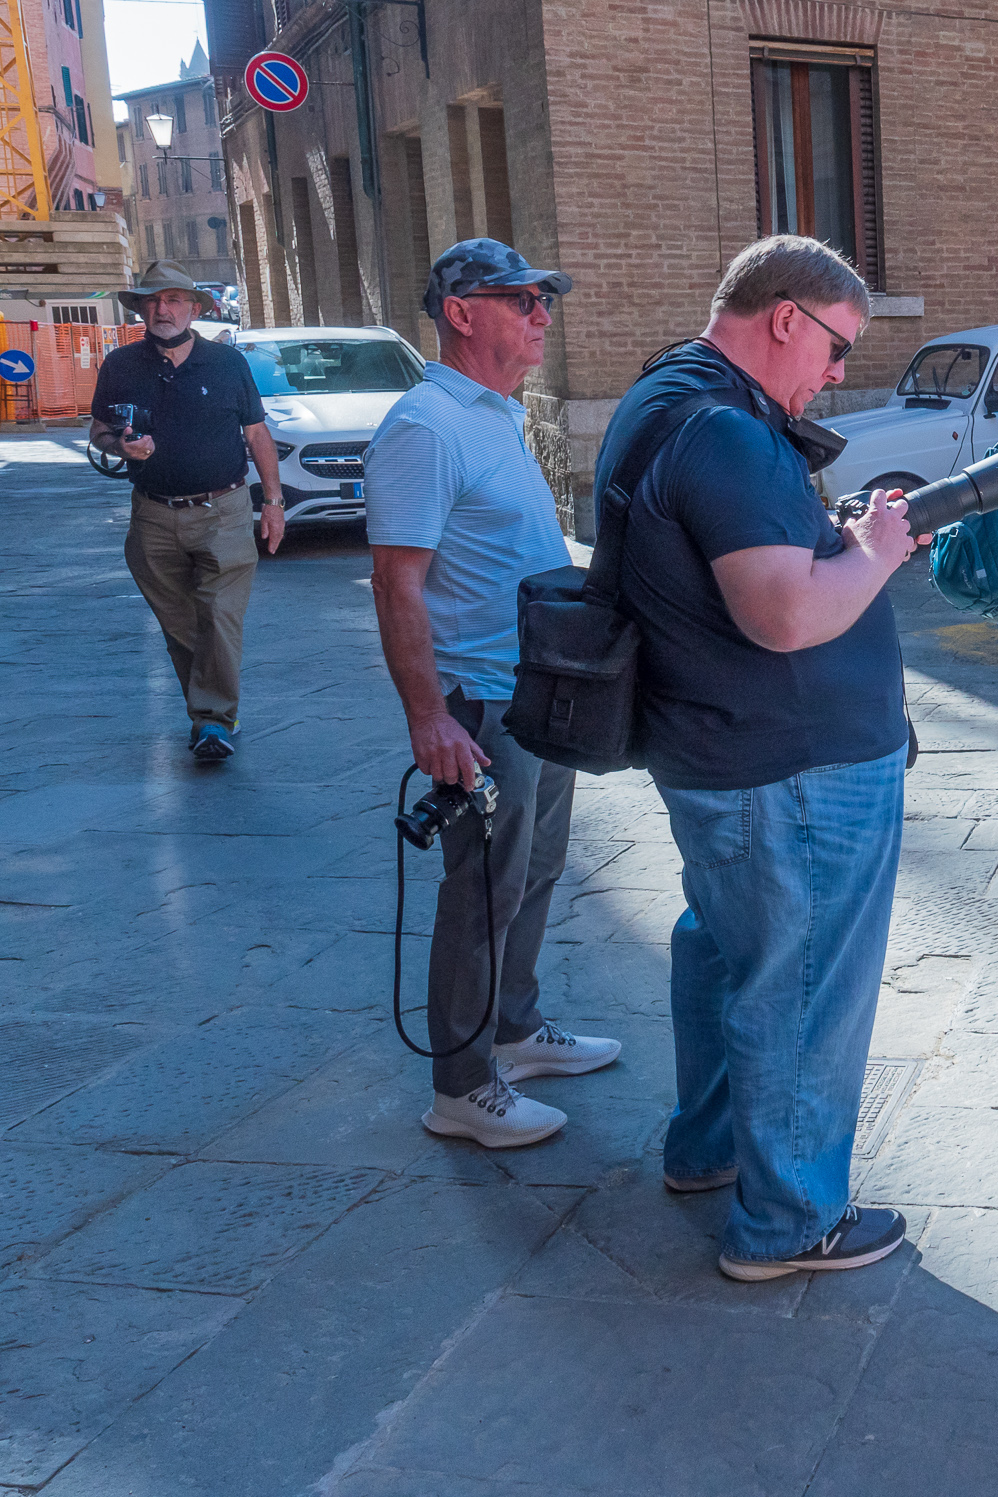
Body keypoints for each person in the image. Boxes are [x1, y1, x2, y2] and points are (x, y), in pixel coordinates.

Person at [597, 235, 917, 1283]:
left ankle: (711, 1153)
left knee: (733, 958)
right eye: (834, 348)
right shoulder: (724, 431)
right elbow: (783, 616)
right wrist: (872, 552)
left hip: (727, 758)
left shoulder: (664, 400)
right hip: (788, 770)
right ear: (785, 316)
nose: (834, 374)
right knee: (803, 983)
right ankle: (788, 1222)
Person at [365, 238, 622, 1150]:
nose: (543, 315)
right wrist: (429, 718)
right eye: (524, 300)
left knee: (536, 869)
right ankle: (462, 1086)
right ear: (463, 312)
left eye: (546, 298)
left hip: (537, 695)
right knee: (479, 892)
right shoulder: (425, 425)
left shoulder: (497, 414)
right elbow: (397, 584)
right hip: (478, 703)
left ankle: (513, 1030)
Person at [89, 260, 285, 762]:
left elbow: (257, 433)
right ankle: (213, 713)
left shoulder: (226, 364)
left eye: (174, 299)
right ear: (140, 310)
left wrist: (274, 503)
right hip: (152, 517)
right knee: (180, 625)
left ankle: (213, 722)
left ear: (194, 309)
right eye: (153, 300)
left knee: (219, 616)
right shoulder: (120, 366)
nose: (163, 309)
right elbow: (99, 434)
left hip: (224, 511)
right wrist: (121, 447)